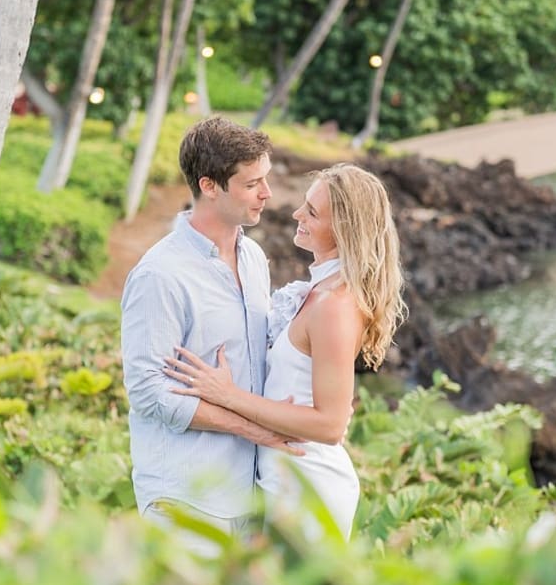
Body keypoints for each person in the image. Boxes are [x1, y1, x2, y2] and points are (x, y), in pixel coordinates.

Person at [164, 163, 407, 540]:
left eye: (311, 211)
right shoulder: (316, 292)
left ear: (343, 229)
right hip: (284, 480)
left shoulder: (334, 305)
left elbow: (330, 424)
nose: (296, 215)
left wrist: (229, 396)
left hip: (309, 487)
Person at [120, 117, 303, 556]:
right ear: (210, 185)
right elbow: (148, 394)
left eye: (266, 180)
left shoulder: (255, 257)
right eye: (252, 183)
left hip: (250, 495)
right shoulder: (159, 275)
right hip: (186, 499)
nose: (267, 194)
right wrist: (252, 428)